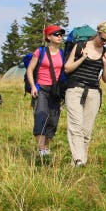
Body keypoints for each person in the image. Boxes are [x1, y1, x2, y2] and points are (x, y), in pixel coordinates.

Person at [63, 22, 106, 167]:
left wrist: (105, 64)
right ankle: (79, 159)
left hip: (93, 93)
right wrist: (83, 58)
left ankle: (78, 163)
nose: (104, 42)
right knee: (75, 126)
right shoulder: (80, 46)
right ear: (97, 33)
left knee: (86, 130)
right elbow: (67, 68)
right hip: (75, 89)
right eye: (103, 38)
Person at [26, 25, 67, 159]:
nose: (60, 36)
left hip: (55, 91)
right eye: (56, 34)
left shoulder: (62, 53)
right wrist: (33, 86)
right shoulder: (40, 51)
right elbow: (30, 69)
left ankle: (46, 148)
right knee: (41, 116)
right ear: (48, 37)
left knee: (53, 120)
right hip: (41, 89)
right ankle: (41, 150)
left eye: (61, 34)